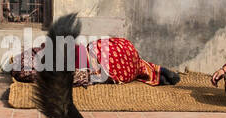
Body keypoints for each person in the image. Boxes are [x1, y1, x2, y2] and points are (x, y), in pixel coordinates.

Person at [10, 35, 180, 87]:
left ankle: (159, 74)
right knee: (133, 61)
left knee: (128, 60)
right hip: (106, 56)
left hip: (103, 54)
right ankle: (158, 72)